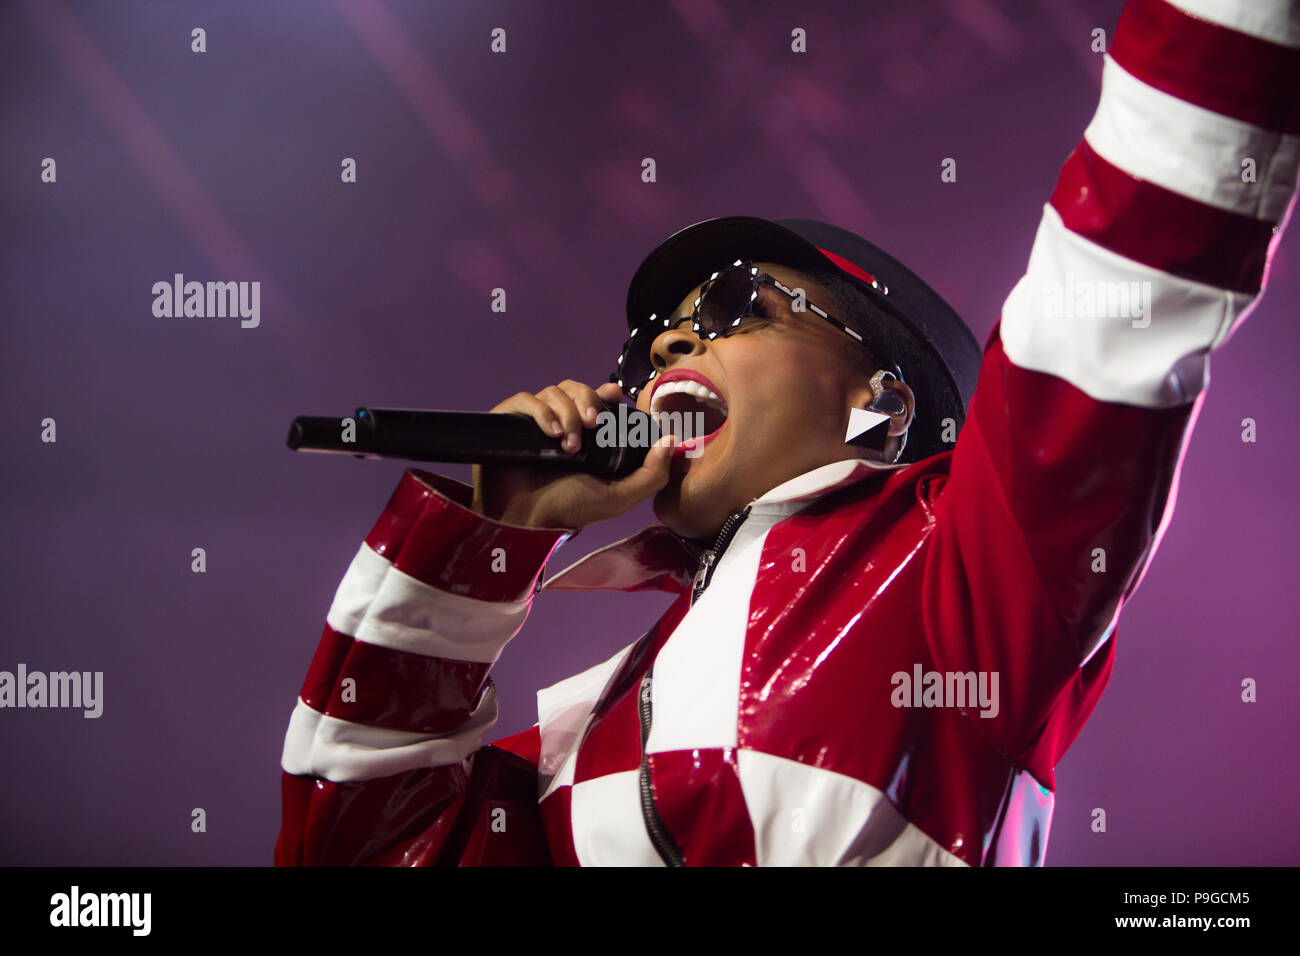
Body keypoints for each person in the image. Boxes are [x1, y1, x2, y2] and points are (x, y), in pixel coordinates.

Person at [275, 0, 1300, 865]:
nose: (671, 337)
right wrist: (483, 544)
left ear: (884, 404)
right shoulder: (574, 734)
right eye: (652, 339)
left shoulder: (956, 572)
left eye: (734, 306)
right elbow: (353, 845)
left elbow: (1119, 279)